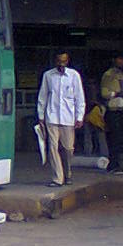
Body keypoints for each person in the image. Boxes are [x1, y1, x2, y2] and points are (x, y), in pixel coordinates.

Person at [37, 50, 86, 187]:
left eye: (64, 61)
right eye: (59, 61)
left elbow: (79, 98)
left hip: (68, 118)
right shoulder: (48, 75)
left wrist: (79, 117)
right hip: (52, 116)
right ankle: (57, 178)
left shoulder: (74, 75)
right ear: (55, 61)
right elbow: (43, 96)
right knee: (53, 147)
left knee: (68, 148)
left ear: (67, 61)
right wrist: (41, 116)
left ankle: (67, 173)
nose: (61, 64)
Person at [100, 54, 123, 172]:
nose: (121, 62)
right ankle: (113, 164)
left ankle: (116, 163)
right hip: (113, 110)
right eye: (119, 59)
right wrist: (117, 94)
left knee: (119, 138)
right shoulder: (108, 75)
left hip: (121, 109)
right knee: (113, 138)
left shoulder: (120, 74)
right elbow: (104, 93)